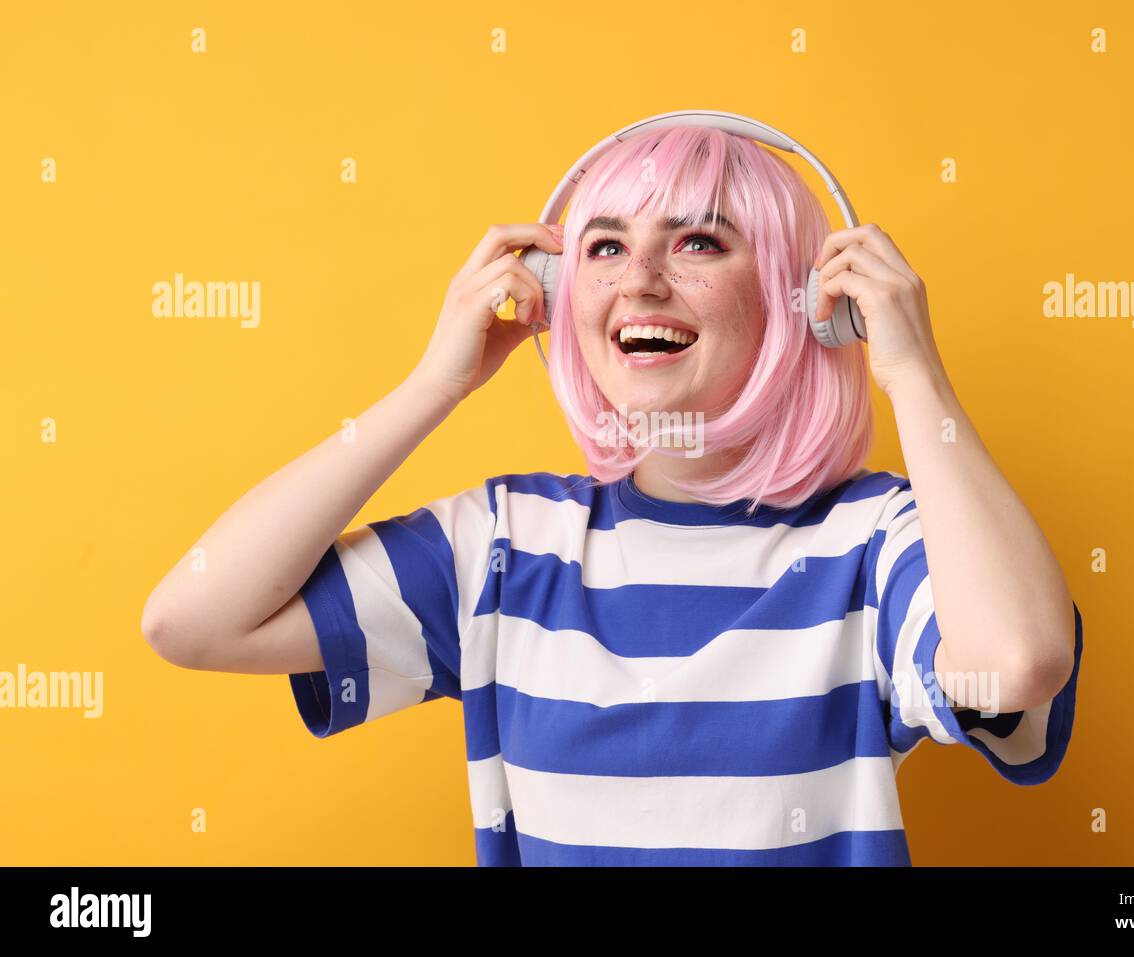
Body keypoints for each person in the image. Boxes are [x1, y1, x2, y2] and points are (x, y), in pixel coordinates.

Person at [141, 124, 1083, 866]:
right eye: (603, 247)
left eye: (699, 242)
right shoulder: (505, 543)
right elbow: (192, 619)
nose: (640, 280)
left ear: (806, 300)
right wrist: (432, 386)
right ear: (557, 293)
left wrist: (917, 376)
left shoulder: (875, 544)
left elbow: (1014, 662)